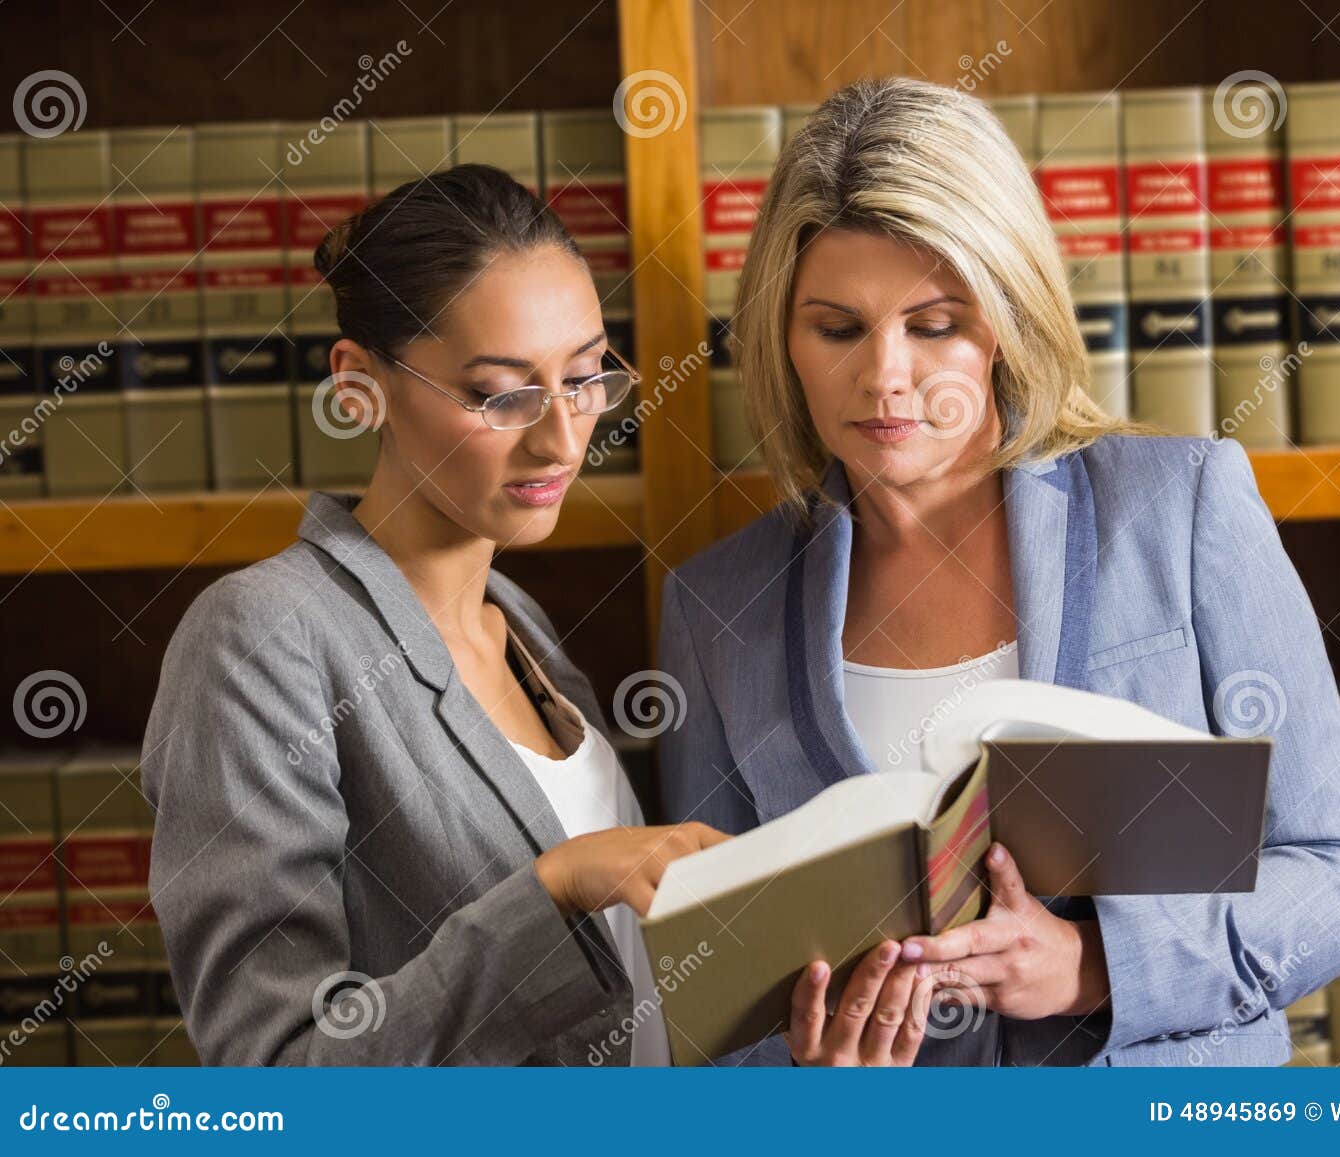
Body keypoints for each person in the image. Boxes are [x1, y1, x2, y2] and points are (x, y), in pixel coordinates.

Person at [656, 78, 1340, 1066]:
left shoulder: (1178, 506)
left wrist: (1099, 965)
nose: (884, 377)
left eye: (934, 325)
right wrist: (805, 1074)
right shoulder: (716, 606)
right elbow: (703, 991)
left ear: (1007, 316)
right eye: (837, 328)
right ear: (780, 337)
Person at [141, 163, 928, 1066]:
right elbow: (275, 1077)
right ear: (361, 383)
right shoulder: (260, 637)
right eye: (503, 394)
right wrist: (558, 886)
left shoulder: (518, 624)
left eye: (588, 377)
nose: (562, 437)